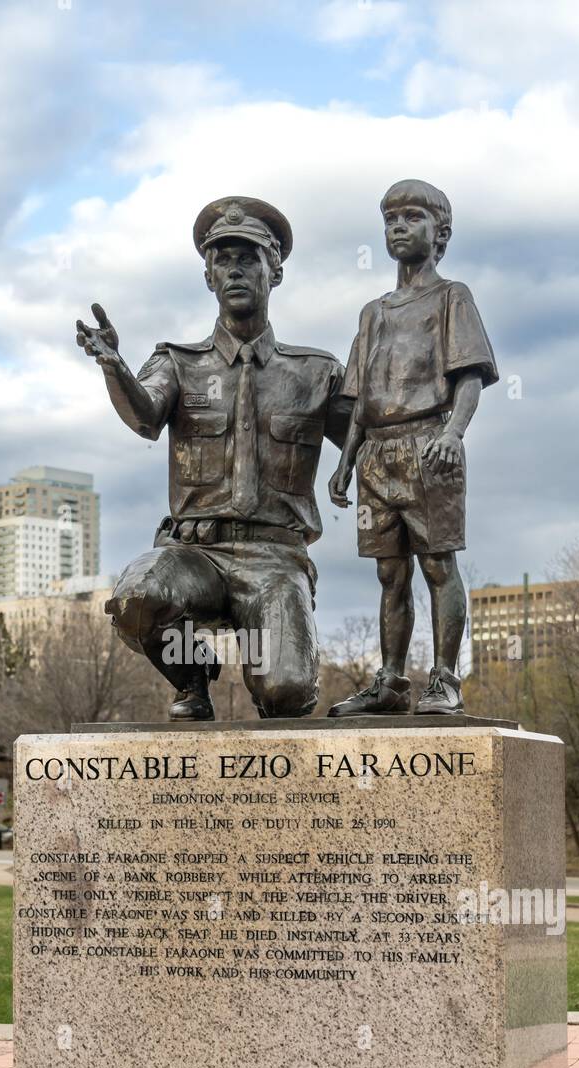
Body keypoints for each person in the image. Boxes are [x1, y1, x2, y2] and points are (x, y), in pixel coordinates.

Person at [76, 196, 349, 720]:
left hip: (275, 561)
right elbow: (144, 418)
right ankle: (192, 679)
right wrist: (115, 369)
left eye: (249, 258)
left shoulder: (316, 373)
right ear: (208, 277)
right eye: (222, 260)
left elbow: (370, 438)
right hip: (195, 555)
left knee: (286, 692)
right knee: (137, 595)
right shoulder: (178, 364)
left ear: (276, 271)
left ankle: (276, 664)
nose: (235, 270)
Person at [328, 179, 498, 717]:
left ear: (439, 231)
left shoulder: (453, 297)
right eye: (390, 219)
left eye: (411, 217)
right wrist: (345, 460)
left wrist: (453, 433)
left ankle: (445, 679)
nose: (398, 227)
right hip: (376, 452)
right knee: (388, 572)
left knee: (438, 564)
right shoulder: (372, 312)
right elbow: (358, 399)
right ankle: (391, 682)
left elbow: (469, 377)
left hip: (429, 444)